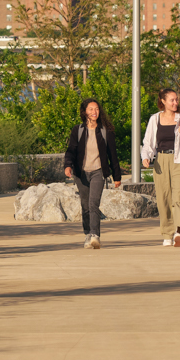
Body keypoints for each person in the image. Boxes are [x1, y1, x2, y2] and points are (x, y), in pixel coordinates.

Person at [139, 87, 180, 247]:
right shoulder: (154, 119)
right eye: (172, 100)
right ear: (163, 101)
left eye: (176, 99)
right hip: (161, 160)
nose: (175, 102)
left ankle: (178, 230)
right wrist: (146, 157)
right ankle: (167, 234)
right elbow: (148, 142)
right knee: (163, 199)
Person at [64, 98, 121, 249]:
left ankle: (95, 235)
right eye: (91, 109)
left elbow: (112, 155)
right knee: (85, 205)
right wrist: (67, 166)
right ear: (84, 112)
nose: (94, 112)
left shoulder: (105, 131)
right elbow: (71, 150)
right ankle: (88, 234)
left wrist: (117, 176)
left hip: (98, 172)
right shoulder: (78, 130)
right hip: (81, 173)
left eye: (96, 109)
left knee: (93, 203)